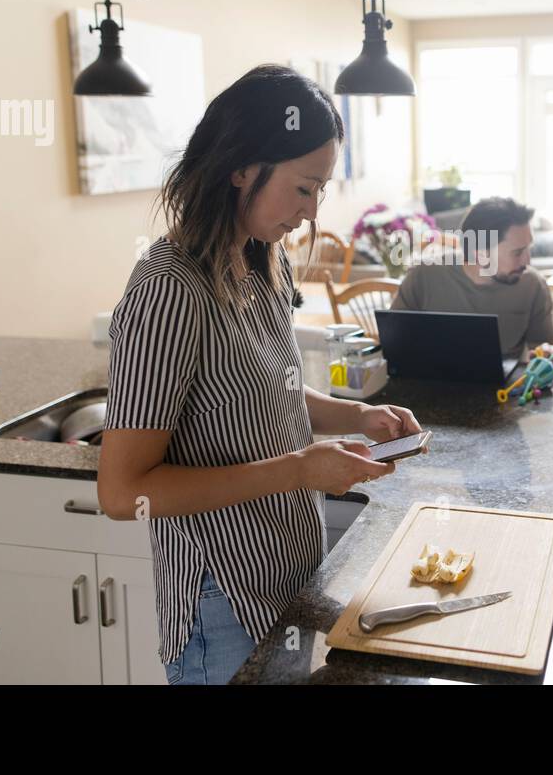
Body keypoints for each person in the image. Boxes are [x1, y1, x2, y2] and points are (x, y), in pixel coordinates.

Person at [97, 64, 422, 685]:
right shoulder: (169, 290)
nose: (312, 212)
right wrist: (301, 468)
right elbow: (122, 493)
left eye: (320, 190)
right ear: (242, 168)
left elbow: (261, 389)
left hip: (288, 574)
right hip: (224, 602)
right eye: (304, 188)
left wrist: (357, 416)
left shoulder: (258, 260)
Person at [391, 196, 553, 360]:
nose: (528, 260)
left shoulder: (532, 284)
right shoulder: (423, 276)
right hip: (429, 383)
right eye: (518, 252)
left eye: (528, 249)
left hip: (505, 389)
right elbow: (393, 344)